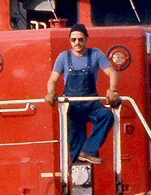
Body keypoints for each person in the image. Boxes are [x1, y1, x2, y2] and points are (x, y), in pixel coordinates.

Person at [45, 23, 120, 164]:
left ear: (86, 39)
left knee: (106, 115)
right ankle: (77, 177)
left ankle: (89, 150)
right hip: (72, 107)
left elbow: (113, 74)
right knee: (75, 143)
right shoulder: (63, 57)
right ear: (70, 41)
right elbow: (53, 79)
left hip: (91, 103)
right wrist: (50, 92)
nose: (77, 43)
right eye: (74, 40)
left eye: (80, 39)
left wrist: (113, 90)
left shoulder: (96, 54)